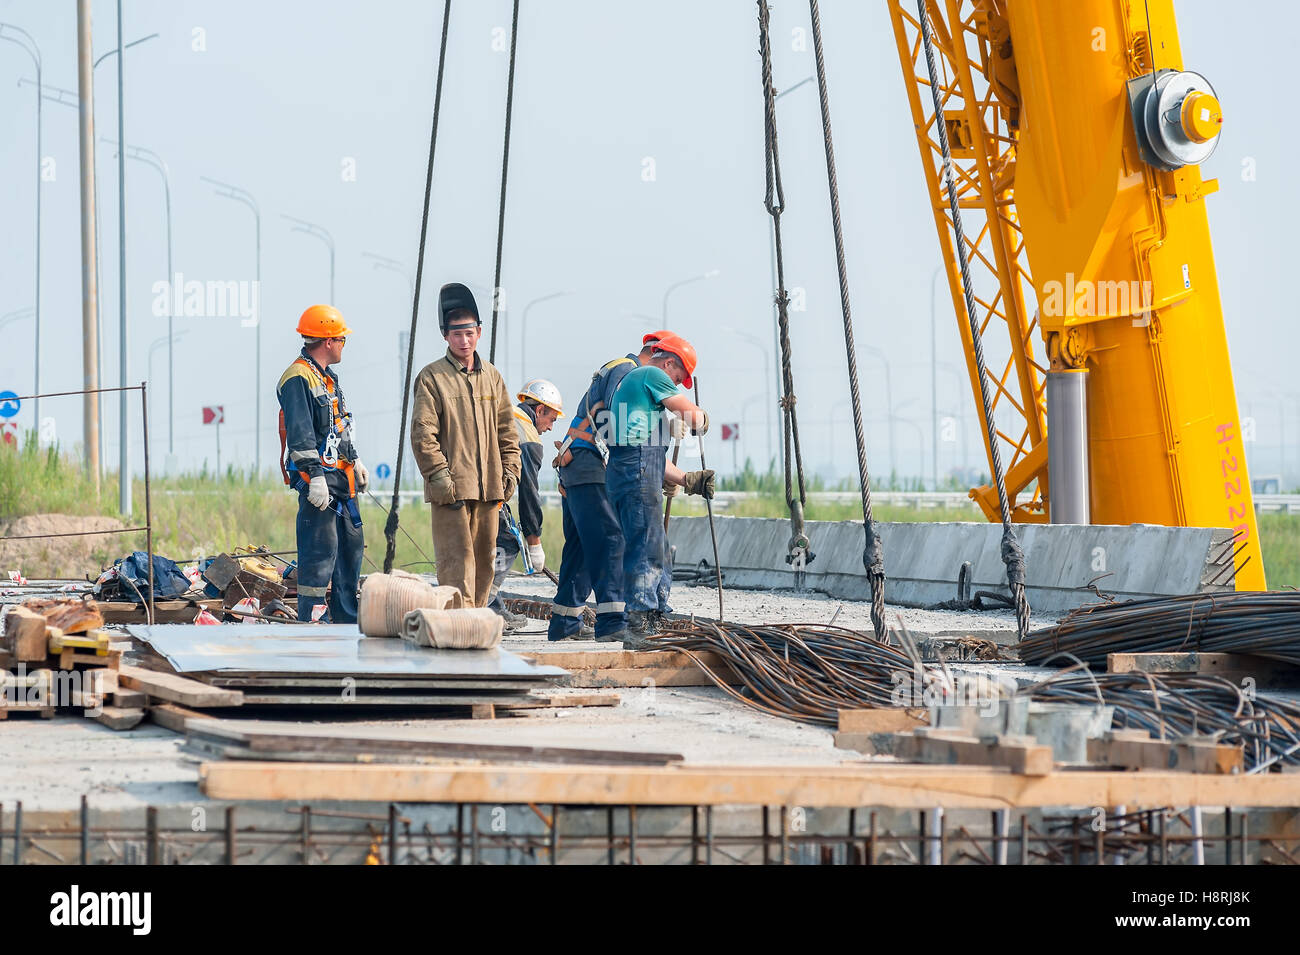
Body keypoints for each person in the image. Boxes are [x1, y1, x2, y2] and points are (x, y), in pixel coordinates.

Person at [546, 331, 673, 642]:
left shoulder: (616, 368)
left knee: (581, 547)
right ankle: (612, 622)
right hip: (590, 466)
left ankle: (565, 622)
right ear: (657, 358)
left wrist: (672, 475)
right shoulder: (629, 374)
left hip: (576, 465)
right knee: (613, 540)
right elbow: (624, 435)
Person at [410, 283, 521, 607]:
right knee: (456, 563)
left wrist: (510, 473)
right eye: (457, 334)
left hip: (489, 488)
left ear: (480, 332)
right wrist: (441, 477)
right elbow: (423, 434)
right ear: (446, 335)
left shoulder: (493, 377)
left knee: (485, 564)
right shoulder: (432, 378)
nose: (464, 340)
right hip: (452, 490)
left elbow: (507, 431)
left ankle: (474, 624)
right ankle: (457, 626)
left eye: (469, 332)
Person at [604, 333, 714, 648]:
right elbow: (691, 415)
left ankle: (655, 616)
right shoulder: (650, 374)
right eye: (677, 379)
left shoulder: (634, 388)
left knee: (656, 547)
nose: (676, 386)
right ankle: (639, 625)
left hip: (628, 469)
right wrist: (701, 419)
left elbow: (646, 452)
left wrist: (689, 480)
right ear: (668, 363)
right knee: (646, 548)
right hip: (636, 469)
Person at [276, 305, 369, 623]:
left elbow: (338, 425)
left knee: (350, 546)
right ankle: (312, 620)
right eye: (342, 339)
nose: (344, 344)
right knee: (320, 550)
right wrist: (314, 477)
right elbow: (301, 434)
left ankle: (345, 616)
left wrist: (355, 461)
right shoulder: (297, 378)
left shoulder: (327, 378)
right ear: (329, 340)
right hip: (318, 480)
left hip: (340, 479)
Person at [487, 378, 564, 628]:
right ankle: (486, 606)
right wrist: (534, 540)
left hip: (475, 491)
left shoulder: (504, 414)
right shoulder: (527, 434)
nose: (551, 427)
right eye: (551, 419)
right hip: (487, 496)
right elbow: (529, 491)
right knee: (507, 542)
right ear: (539, 410)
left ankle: (492, 605)